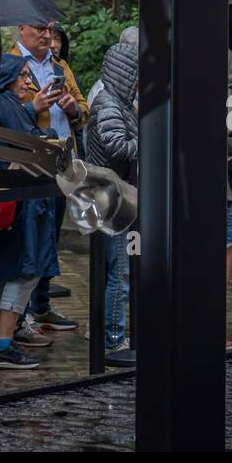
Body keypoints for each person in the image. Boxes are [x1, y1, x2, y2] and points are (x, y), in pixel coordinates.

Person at [0, 53, 59, 370]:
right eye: (22, 74)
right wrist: (49, 138)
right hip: (20, 202)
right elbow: (23, 145)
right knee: (25, 272)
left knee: (1, 272)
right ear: (8, 75)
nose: (28, 81)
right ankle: (3, 344)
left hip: (1, 202)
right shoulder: (7, 104)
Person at [10, 21, 86, 329]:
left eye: (51, 30)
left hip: (63, 165)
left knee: (50, 238)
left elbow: (83, 108)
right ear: (22, 29)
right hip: (30, 166)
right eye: (41, 29)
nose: (47, 35)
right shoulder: (11, 63)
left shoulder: (60, 66)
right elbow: (3, 112)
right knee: (29, 240)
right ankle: (20, 314)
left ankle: (42, 306)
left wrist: (73, 109)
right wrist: (34, 105)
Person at [86, 39, 137, 353]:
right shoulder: (109, 104)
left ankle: (109, 333)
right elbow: (115, 145)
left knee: (115, 269)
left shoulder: (116, 102)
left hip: (112, 194)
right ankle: (113, 339)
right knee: (119, 272)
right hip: (110, 198)